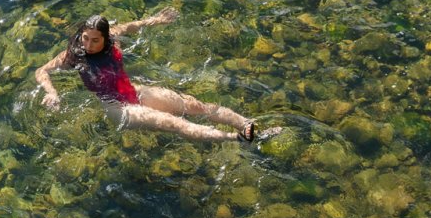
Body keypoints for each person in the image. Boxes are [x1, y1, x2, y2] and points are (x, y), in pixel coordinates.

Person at [34, 8, 261, 143]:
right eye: (85, 38)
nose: (88, 44)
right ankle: (238, 140)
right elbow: (41, 70)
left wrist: (155, 20)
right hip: (116, 107)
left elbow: (129, 26)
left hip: (134, 91)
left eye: (95, 40)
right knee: (174, 123)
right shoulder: (73, 55)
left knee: (195, 106)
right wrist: (51, 92)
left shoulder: (113, 37)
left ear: (105, 37)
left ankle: (248, 125)